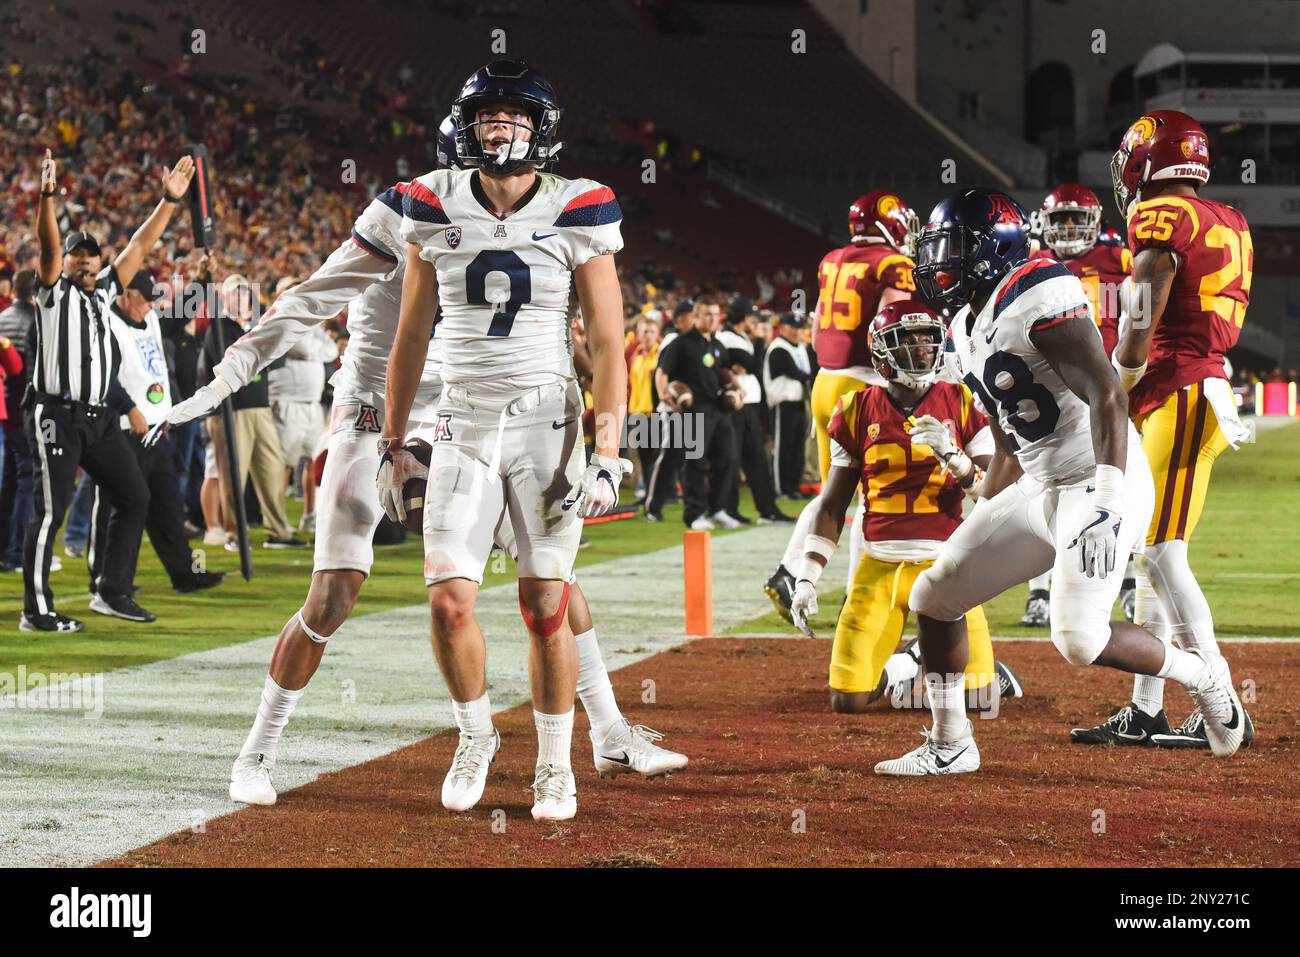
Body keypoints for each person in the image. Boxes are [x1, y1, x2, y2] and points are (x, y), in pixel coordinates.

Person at [151, 97, 682, 810]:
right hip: (377, 412)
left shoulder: (531, 212)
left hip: (472, 416)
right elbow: (306, 302)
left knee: (551, 579)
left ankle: (606, 729)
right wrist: (219, 381)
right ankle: (260, 747)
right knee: (335, 592)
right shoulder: (410, 210)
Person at [871, 187, 1247, 776]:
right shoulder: (970, 320)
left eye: (952, 250)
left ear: (992, 248)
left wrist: (1105, 497)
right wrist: (983, 515)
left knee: (1077, 638)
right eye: (935, 250)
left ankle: (1204, 676)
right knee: (935, 596)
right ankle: (951, 744)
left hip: (1096, 479)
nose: (937, 264)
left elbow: (1108, 393)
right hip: (1041, 486)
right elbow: (1008, 435)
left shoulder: (1037, 288)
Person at [382, 59, 658, 821]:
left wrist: (608, 451)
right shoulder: (432, 204)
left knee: (545, 601)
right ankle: (475, 734)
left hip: (548, 419)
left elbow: (608, 342)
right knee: (448, 602)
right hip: (461, 416)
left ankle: (554, 762)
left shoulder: (580, 206)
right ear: (465, 127)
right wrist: (393, 439)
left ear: (543, 130)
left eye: (517, 116)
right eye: (489, 116)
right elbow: (409, 335)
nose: (501, 127)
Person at [1073, 110, 1258, 750]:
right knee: (1152, 554)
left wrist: (1118, 377)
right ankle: (1146, 708)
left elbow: (1142, 309)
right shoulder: (1228, 219)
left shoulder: (1162, 217)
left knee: (1161, 553)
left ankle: (1221, 699)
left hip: (1178, 386)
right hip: (1189, 384)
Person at [788, 300, 1022, 713]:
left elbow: (994, 500)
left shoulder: (962, 400)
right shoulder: (856, 408)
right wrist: (806, 576)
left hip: (946, 568)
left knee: (980, 698)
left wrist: (956, 459)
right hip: (878, 566)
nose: (920, 349)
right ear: (880, 353)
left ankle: (958, 664)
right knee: (848, 701)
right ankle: (909, 660)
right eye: (907, 340)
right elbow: (832, 505)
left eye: (927, 340)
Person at [20, 148, 193, 631]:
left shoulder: (104, 295)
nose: (83, 261)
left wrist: (168, 202)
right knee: (51, 511)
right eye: (77, 255)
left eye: (91, 256)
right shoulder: (55, 293)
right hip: (57, 414)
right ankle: (37, 610)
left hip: (98, 419)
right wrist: (49, 198)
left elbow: (139, 246)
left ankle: (111, 590)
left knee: (133, 496)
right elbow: (49, 249)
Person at [765, 191, 919, 619]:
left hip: (826, 379)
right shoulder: (892, 265)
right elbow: (891, 325)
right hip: (864, 384)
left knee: (836, 492)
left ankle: (788, 570)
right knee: (872, 499)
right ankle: (858, 595)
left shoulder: (833, 258)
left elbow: (817, 321)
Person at [1020, 183, 1137, 628]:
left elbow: (1141, 317)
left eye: (1075, 218)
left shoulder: (1118, 261)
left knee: (1114, 483)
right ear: (1045, 224)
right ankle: (1038, 592)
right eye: (1060, 219)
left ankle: (1125, 582)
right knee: (1043, 486)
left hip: (1103, 387)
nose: (1068, 227)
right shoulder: (1031, 265)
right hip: (1047, 391)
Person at [91, 271, 225, 594]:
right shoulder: (107, 325)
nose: (151, 305)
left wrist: (204, 281)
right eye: (145, 298)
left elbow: (181, 313)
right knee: (115, 508)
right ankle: (105, 580)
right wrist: (128, 409)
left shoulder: (149, 318)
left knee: (167, 506)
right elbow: (101, 375)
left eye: (154, 298)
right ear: (125, 294)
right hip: (120, 431)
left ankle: (186, 574)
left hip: (155, 430)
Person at [199, 263, 306, 550]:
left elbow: (278, 360)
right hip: (231, 409)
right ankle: (234, 532)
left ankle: (278, 531)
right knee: (233, 474)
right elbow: (223, 365)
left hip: (260, 406)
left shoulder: (258, 325)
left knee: (272, 469)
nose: (240, 299)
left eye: (244, 294)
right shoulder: (219, 328)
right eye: (234, 294)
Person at [655, 294, 740, 530]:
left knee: (728, 459)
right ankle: (694, 514)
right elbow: (662, 371)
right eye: (707, 315)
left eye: (716, 315)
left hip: (719, 409)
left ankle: (717, 509)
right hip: (693, 411)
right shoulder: (680, 343)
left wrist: (738, 390)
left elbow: (726, 373)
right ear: (696, 316)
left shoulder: (717, 345)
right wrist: (663, 393)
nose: (713, 319)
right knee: (694, 463)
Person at [266, 274, 338, 534]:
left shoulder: (311, 321)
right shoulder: (280, 319)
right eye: (289, 288)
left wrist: (317, 348)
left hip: (311, 403)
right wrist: (317, 349)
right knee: (283, 464)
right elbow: (306, 349)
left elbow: (331, 350)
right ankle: (277, 520)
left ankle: (310, 514)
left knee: (311, 459)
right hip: (288, 401)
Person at [716, 295, 786, 524]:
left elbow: (747, 365)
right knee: (733, 459)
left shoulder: (738, 337)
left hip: (749, 405)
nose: (753, 323)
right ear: (743, 317)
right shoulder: (727, 337)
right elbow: (753, 365)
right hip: (735, 406)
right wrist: (757, 342)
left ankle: (768, 509)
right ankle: (729, 508)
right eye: (750, 317)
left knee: (756, 459)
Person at [643, 298, 696, 521]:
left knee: (690, 457)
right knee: (669, 456)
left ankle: (688, 500)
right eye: (693, 315)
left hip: (689, 407)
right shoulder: (674, 340)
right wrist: (664, 395)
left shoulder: (694, 341)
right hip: (673, 408)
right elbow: (661, 372)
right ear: (681, 319)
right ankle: (652, 506)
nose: (696, 319)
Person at [0, 270, 37, 572]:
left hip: (6, 410)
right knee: (28, 482)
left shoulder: (3, 319)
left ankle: (6, 550)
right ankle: (17, 553)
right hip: (23, 410)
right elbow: (26, 373)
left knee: (11, 482)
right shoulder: (35, 321)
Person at [763, 313, 811, 500]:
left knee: (797, 447)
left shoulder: (798, 347)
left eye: (800, 327)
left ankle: (793, 487)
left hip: (798, 402)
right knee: (784, 447)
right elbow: (798, 373)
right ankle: (781, 488)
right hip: (783, 404)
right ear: (782, 328)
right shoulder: (778, 348)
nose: (798, 331)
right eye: (793, 327)